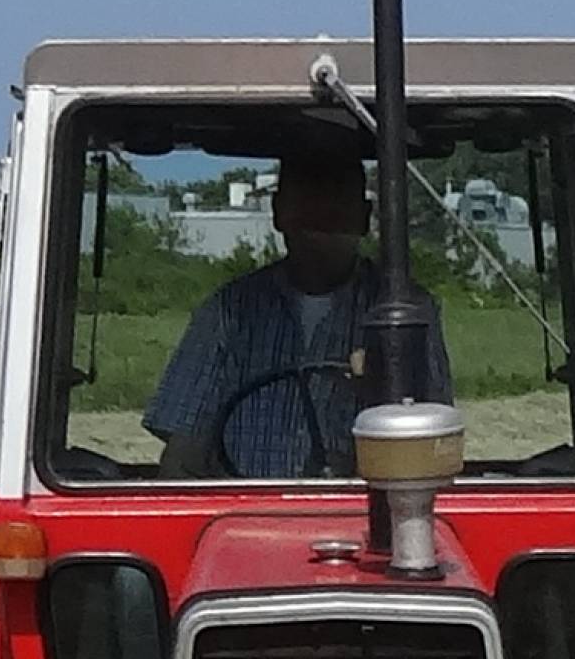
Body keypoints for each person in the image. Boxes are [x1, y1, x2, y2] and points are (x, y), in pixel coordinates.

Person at [143, 153, 452, 478]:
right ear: (278, 213)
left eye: (335, 210)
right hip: (245, 515)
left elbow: (433, 442)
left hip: (362, 513)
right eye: (307, 208)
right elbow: (182, 452)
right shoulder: (229, 311)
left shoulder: (407, 313)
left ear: (363, 218)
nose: (320, 223)